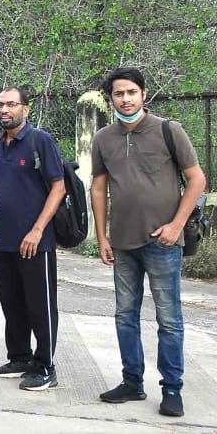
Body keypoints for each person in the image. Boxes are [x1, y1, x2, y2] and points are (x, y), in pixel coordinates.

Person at [92, 68, 205, 417]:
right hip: (123, 244)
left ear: (144, 94)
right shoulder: (103, 138)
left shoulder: (169, 131)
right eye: (118, 94)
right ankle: (131, 381)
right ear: (110, 98)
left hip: (163, 243)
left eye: (131, 92)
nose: (125, 99)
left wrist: (176, 224)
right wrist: (102, 236)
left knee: (168, 319)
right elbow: (98, 187)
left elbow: (196, 179)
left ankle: (172, 388)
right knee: (125, 316)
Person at [0, 87, 64, 390]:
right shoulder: (1, 143)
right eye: (0, 105)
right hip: (6, 240)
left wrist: (37, 230)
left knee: (40, 306)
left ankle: (45, 366)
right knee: (12, 303)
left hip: (37, 241)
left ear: (26, 109)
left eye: (11, 104)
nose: (5, 110)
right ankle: (19, 357)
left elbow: (58, 188)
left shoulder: (40, 141)